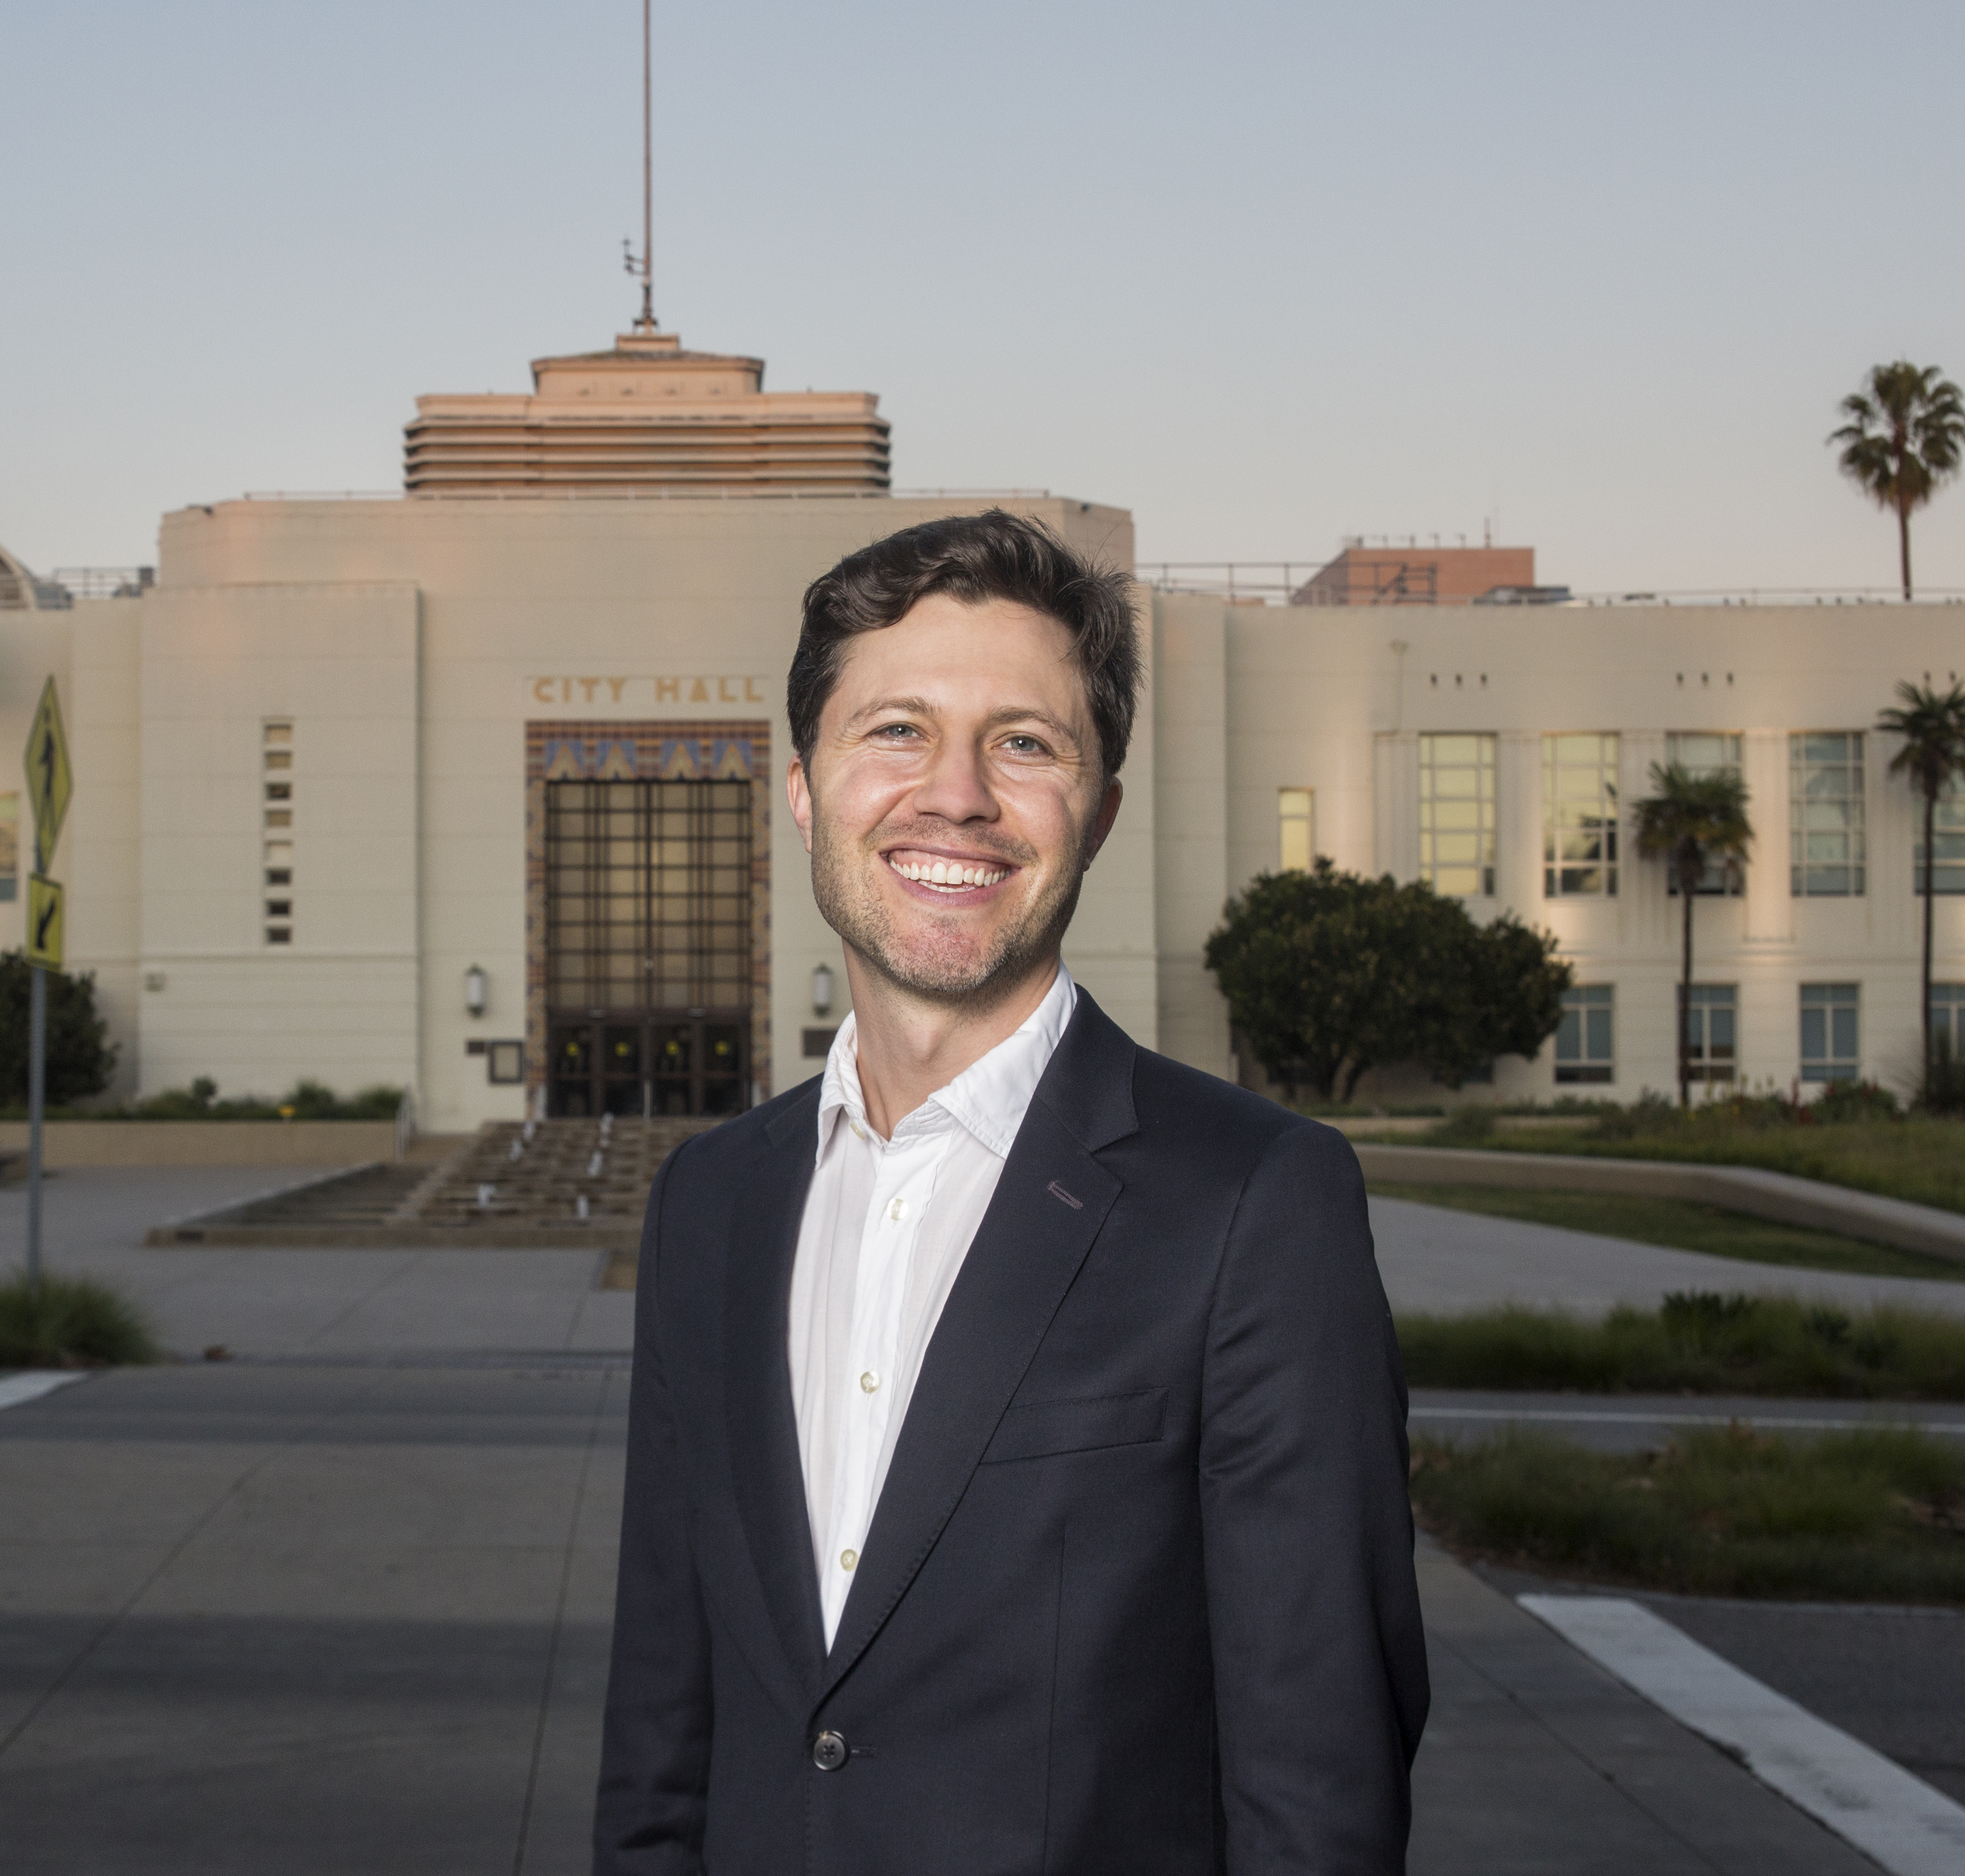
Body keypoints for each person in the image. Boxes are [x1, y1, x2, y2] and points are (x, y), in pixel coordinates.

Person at [594, 510, 1428, 1874]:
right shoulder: (709, 1200)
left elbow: (1317, 1772)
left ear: (1097, 814)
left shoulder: (1255, 1203)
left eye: (1025, 743)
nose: (956, 796)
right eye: (895, 730)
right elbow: (659, 1723)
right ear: (802, 787)